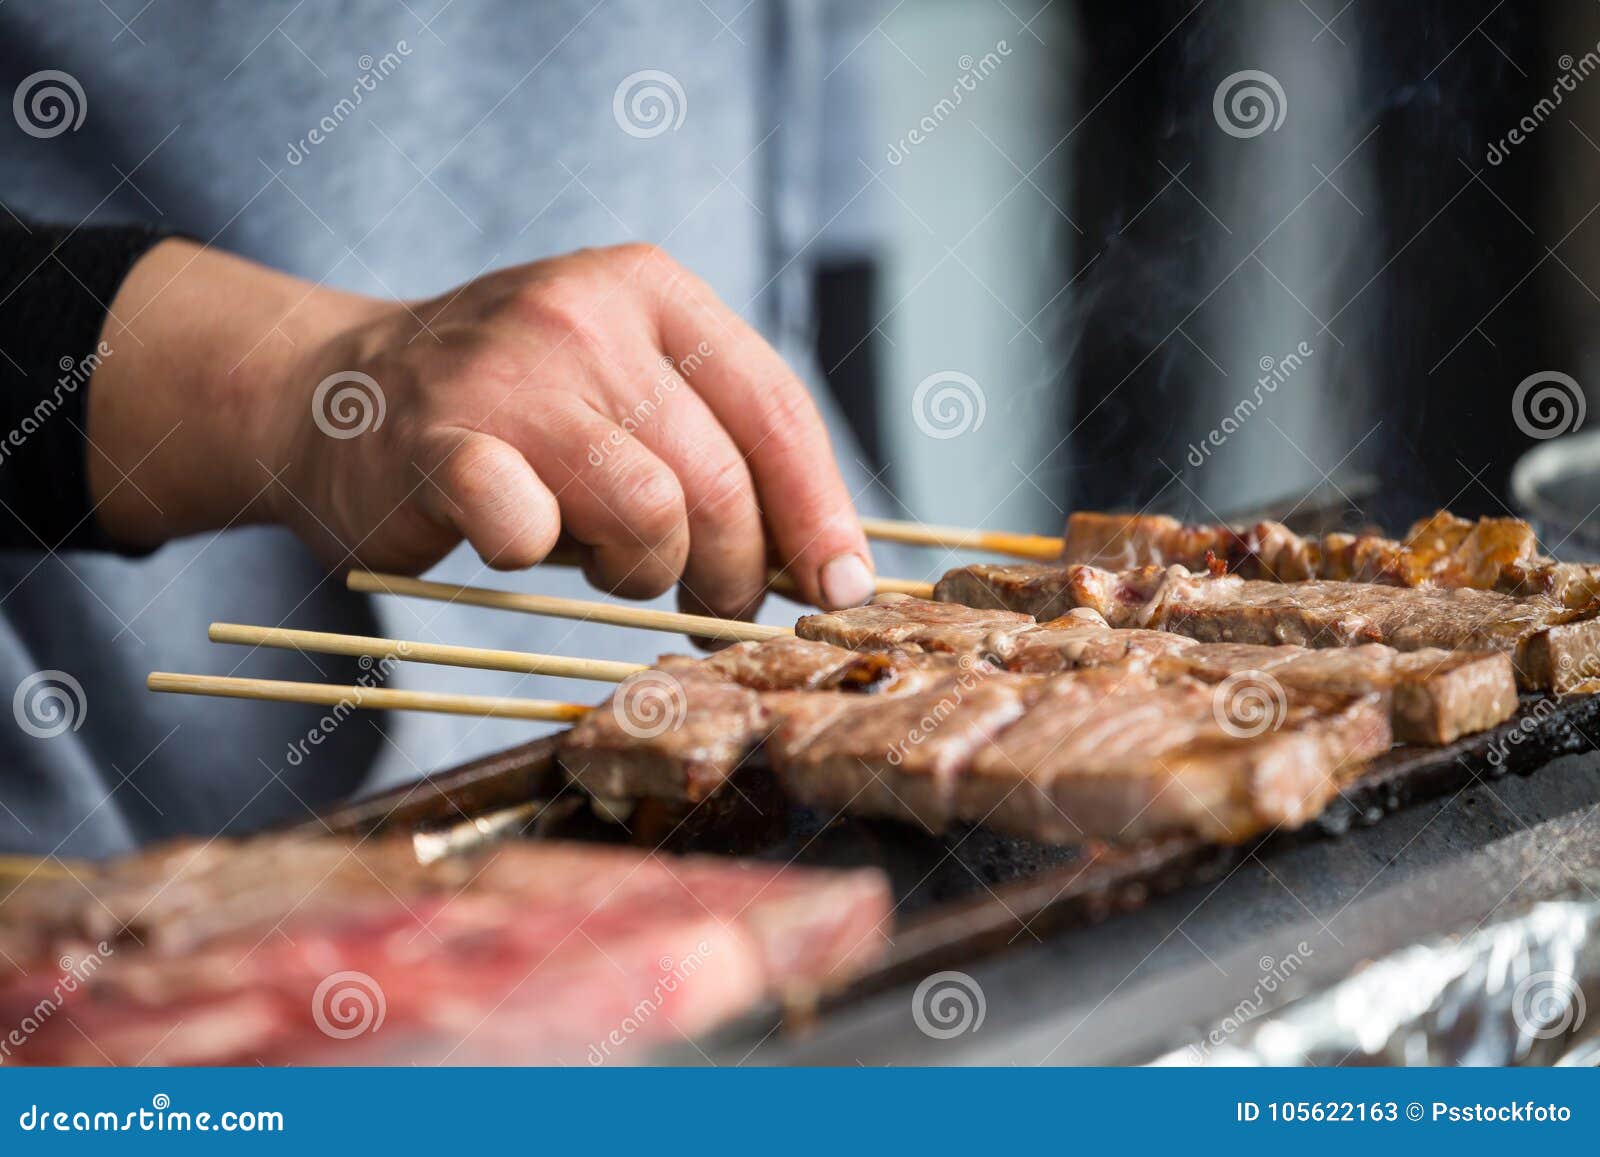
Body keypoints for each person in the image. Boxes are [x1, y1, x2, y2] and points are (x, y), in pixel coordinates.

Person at [0, 0, 891, 856]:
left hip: (739, 751)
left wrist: (863, 540)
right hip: (166, 796)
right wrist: (309, 382)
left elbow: (814, 118)